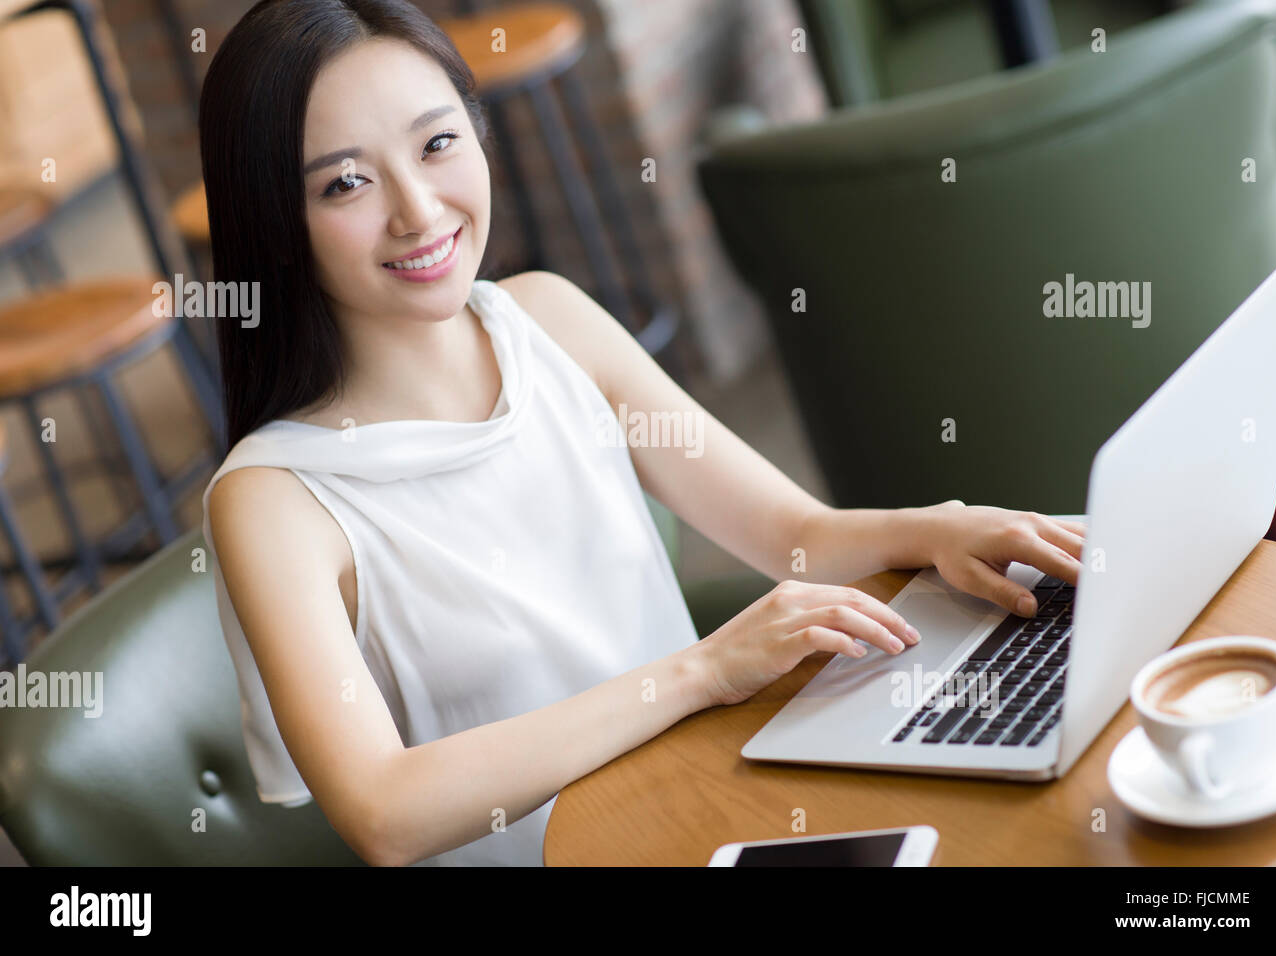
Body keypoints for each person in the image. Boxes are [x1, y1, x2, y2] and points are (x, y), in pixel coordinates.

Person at [200, 0, 1086, 867]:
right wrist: (700, 673)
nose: (419, 210)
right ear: (276, 220)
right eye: (345, 182)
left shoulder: (549, 319)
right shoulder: (274, 503)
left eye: (437, 144)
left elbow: (796, 536)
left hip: (715, 813)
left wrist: (938, 526)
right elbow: (385, 813)